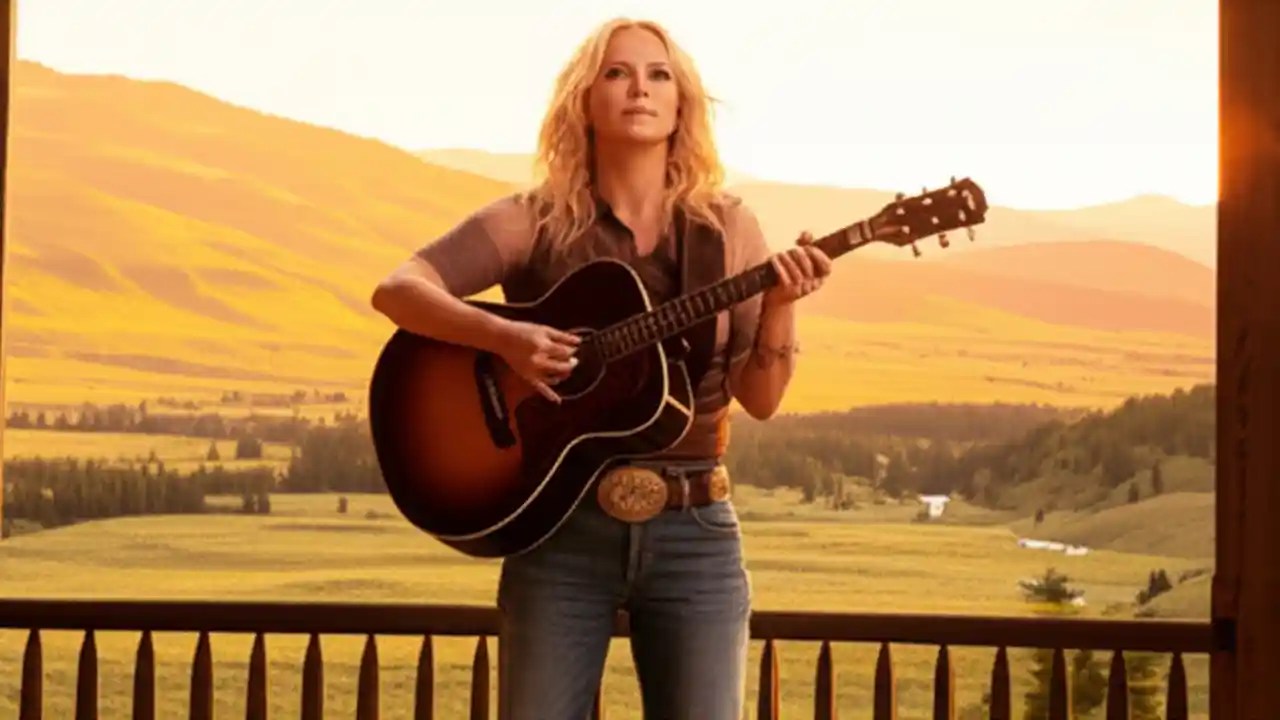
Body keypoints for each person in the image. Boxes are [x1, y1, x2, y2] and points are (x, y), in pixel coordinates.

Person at [371, 17, 865, 719]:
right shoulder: (534, 219)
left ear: (681, 104)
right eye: (617, 72)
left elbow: (762, 400)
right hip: (558, 531)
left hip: (696, 533)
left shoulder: (727, 229)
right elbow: (399, 289)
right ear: (585, 100)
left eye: (659, 74)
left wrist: (781, 306)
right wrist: (503, 340)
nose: (640, 87)